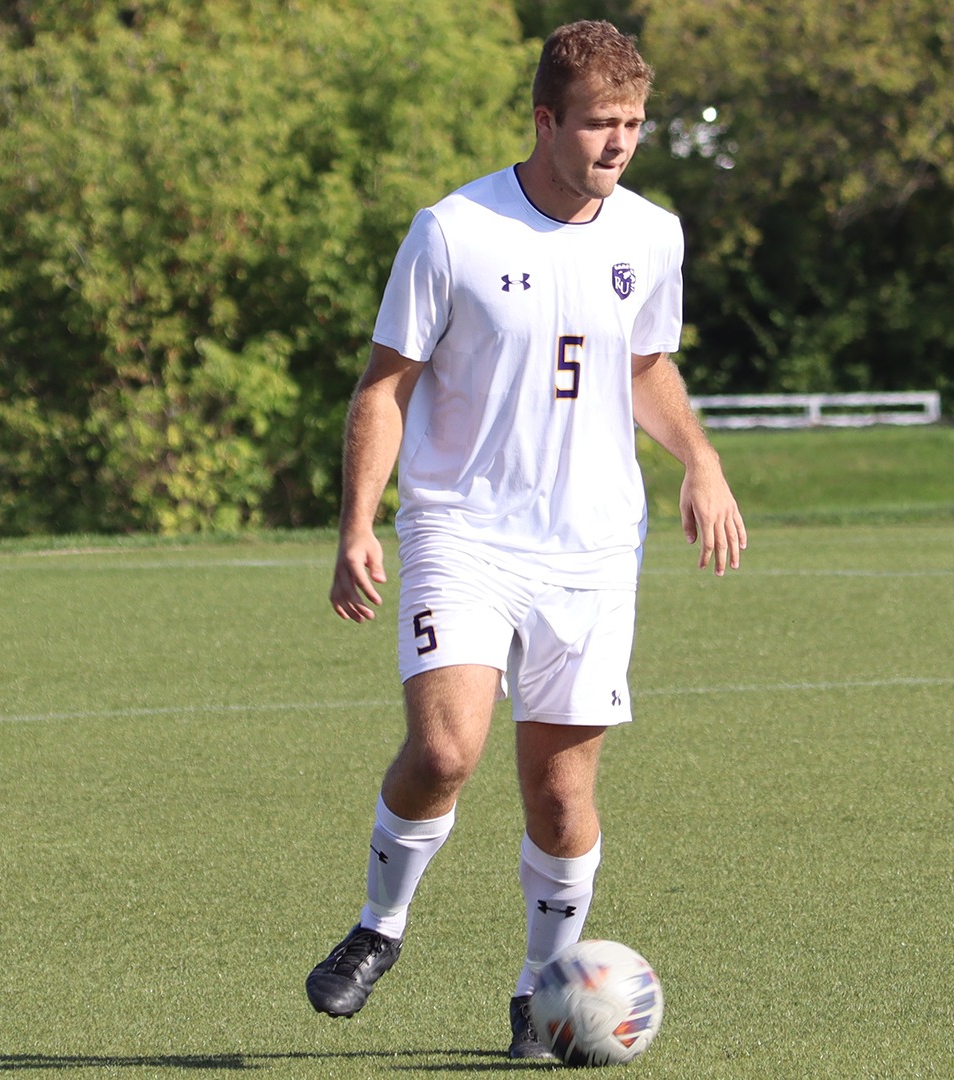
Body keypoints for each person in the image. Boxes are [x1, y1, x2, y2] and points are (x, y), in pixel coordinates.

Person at [308, 19, 746, 1060]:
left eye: (633, 123)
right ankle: (380, 925)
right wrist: (358, 520)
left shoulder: (652, 235)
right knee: (445, 750)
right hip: (462, 529)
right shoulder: (454, 230)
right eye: (598, 123)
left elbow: (645, 366)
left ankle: (539, 993)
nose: (619, 142)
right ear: (545, 120)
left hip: (592, 549)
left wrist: (700, 458)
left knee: (559, 797)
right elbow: (385, 386)